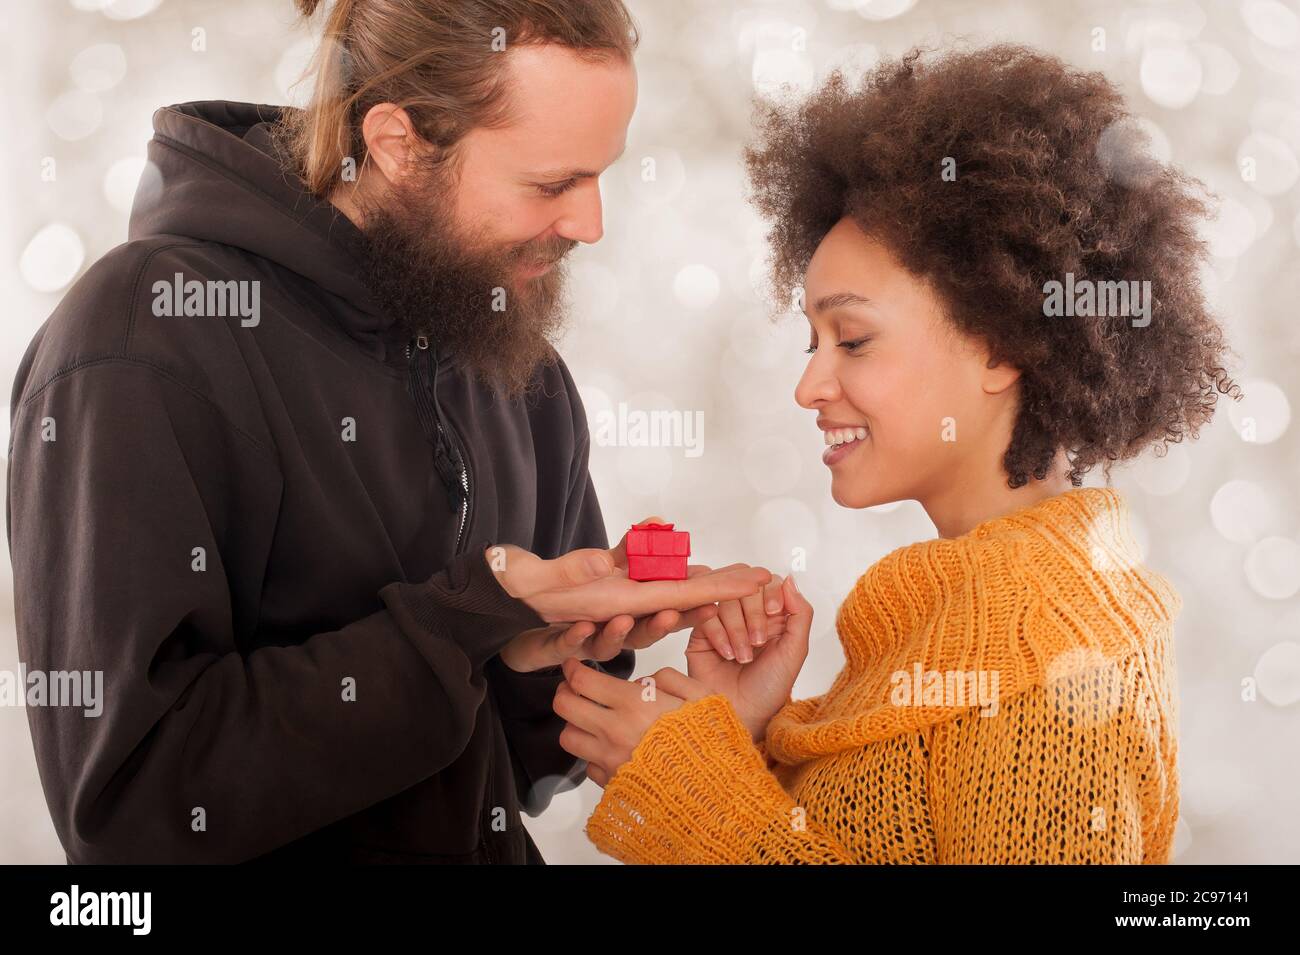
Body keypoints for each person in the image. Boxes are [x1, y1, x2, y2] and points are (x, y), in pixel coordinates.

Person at [5, 0, 776, 864]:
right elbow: (133, 812)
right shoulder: (141, 339)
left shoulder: (515, 365)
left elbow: (515, 770)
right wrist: (463, 622)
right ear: (399, 145)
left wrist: (573, 661)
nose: (591, 224)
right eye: (552, 184)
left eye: (602, 176)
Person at [556, 44, 1241, 864]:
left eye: (853, 339)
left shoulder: (1059, 669)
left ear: (997, 345)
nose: (809, 386)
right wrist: (753, 746)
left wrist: (696, 799)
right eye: (811, 341)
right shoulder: (960, 623)